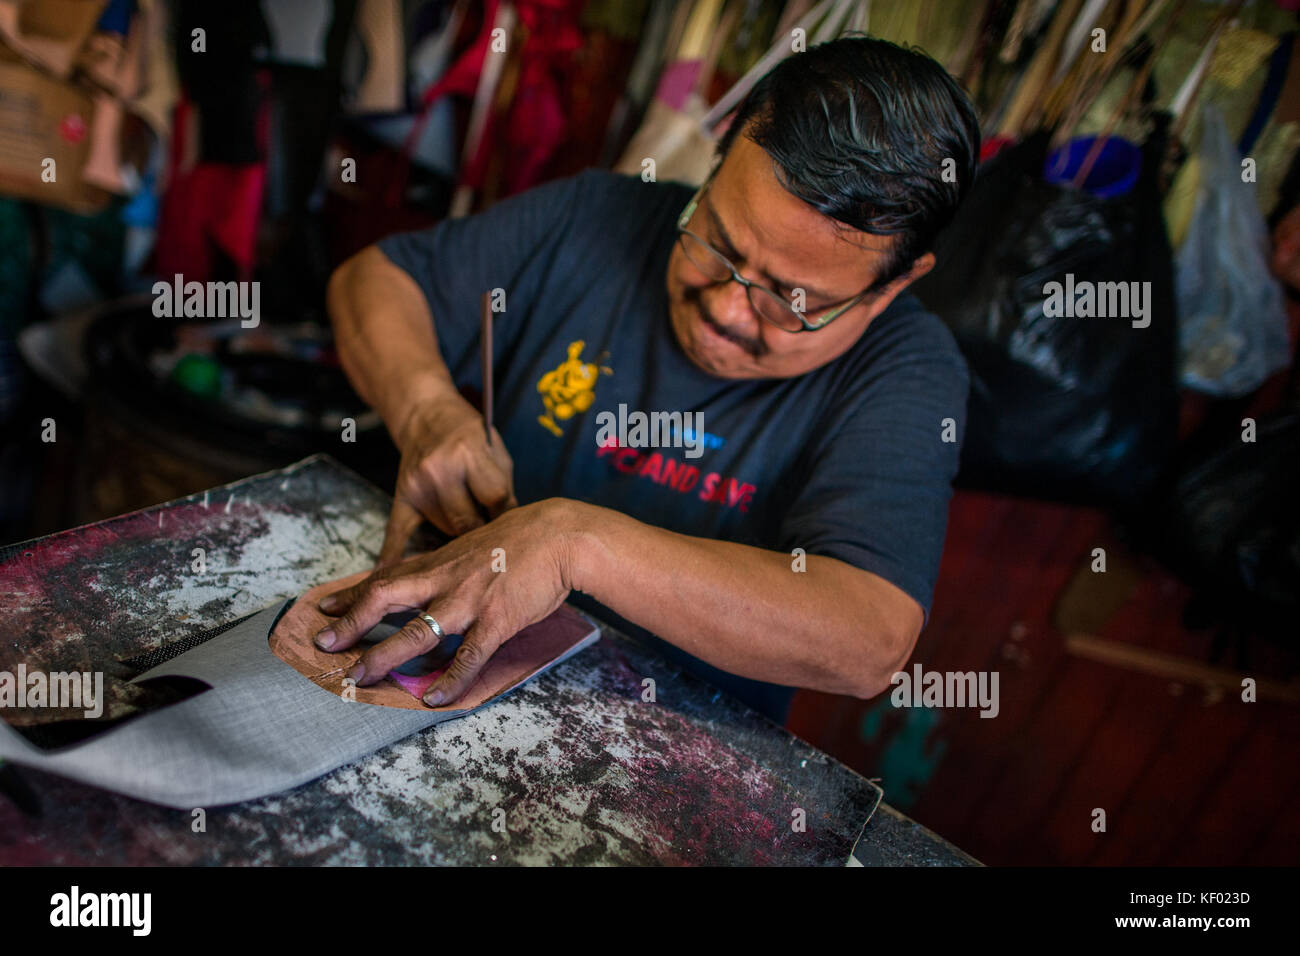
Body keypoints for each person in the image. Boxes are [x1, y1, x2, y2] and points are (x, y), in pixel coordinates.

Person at [321, 36, 979, 722]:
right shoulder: (594, 216)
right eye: (717, 242)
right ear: (719, 157)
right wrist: (426, 406)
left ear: (893, 286)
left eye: (792, 301)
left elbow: (868, 638)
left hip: (669, 752)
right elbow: (374, 281)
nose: (725, 308)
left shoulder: (908, 371)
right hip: (442, 689)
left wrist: (575, 545)